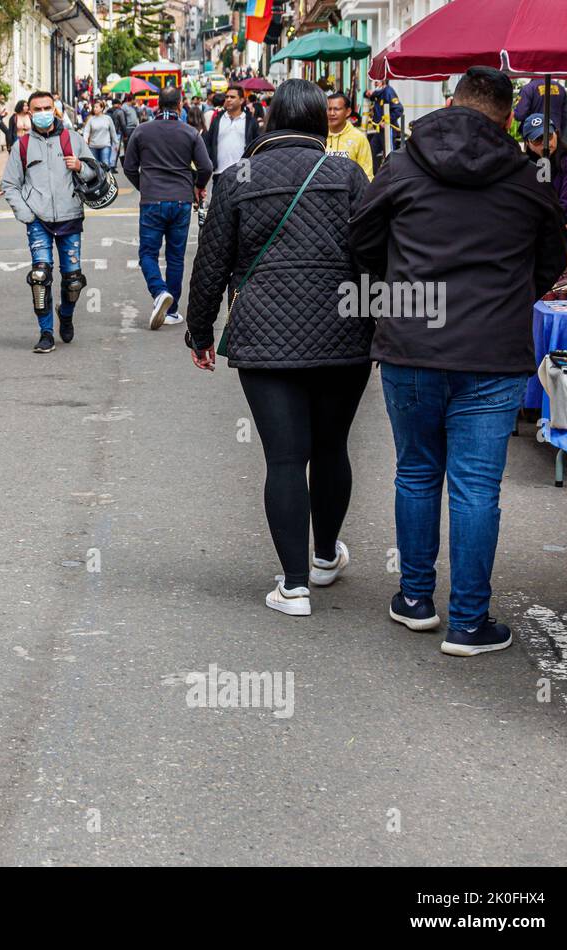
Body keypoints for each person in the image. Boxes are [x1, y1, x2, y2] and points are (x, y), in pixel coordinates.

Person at [349, 65, 567, 655]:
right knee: (476, 489)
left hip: (412, 343)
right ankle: (470, 623)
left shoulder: (404, 164)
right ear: (506, 117)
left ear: (453, 101)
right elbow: (551, 261)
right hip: (493, 352)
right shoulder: (527, 179)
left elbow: (361, 240)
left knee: (416, 471)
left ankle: (416, 599)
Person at [186, 80, 373, 617]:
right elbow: (372, 255)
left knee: (286, 457)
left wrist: (200, 333)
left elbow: (212, 264)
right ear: (320, 120)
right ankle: (323, 557)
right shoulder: (346, 173)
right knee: (333, 447)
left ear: (267, 119)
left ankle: (293, 587)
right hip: (343, 331)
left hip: (265, 335)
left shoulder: (237, 177)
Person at [0, 90, 100, 354]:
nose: (43, 113)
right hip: (39, 221)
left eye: (47, 108)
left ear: (54, 109)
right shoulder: (21, 146)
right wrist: (27, 214)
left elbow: (95, 173)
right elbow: (10, 185)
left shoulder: (73, 139)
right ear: (29, 112)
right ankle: (45, 332)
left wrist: (80, 166)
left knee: (73, 279)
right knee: (40, 276)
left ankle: (65, 315)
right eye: (38, 109)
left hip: (70, 217)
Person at [123, 86, 212, 329]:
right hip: (182, 200)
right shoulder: (190, 133)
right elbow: (205, 167)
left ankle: (159, 291)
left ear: (158, 104)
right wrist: (197, 186)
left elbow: (129, 167)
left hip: (152, 200)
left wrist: (145, 185)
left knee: (148, 254)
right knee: (175, 257)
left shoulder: (142, 131)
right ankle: (171, 311)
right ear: (180, 105)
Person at [521, 113, 567, 228]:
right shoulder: (533, 165)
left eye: (549, 136)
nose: (546, 143)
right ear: (528, 144)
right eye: (538, 140)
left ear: (556, 133)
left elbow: (565, 210)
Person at [202, 84, 260, 184]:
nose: (228, 99)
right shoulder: (217, 120)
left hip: (242, 173)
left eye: (232, 97)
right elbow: (208, 142)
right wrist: (211, 163)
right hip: (220, 172)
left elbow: (256, 145)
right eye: (227, 97)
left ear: (241, 100)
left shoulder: (250, 122)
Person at [325, 90, 372, 180]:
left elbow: (367, 174)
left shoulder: (359, 138)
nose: (331, 113)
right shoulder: (319, 136)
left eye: (337, 109)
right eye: (328, 109)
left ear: (348, 112)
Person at [82, 99, 119, 171]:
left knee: (106, 166)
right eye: (94, 107)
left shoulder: (108, 119)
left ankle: (107, 181)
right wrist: (85, 139)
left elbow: (113, 132)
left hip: (105, 146)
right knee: (95, 167)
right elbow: (86, 131)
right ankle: (99, 182)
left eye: (96, 107)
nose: (94, 109)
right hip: (93, 147)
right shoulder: (91, 119)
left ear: (102, 108)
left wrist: (116, 144)